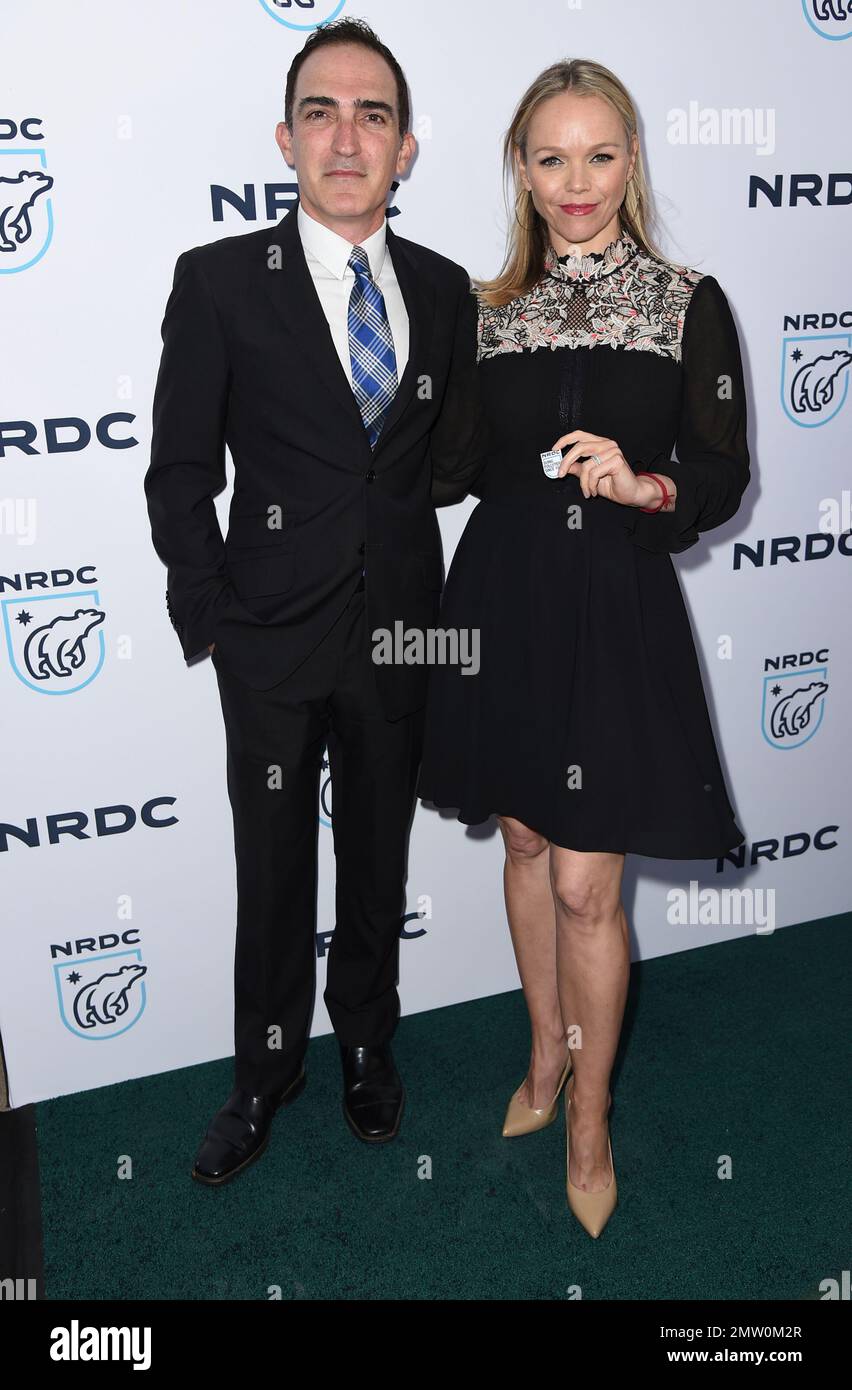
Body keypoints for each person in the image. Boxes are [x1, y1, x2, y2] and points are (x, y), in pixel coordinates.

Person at [144, 18, 489, 1185]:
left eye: (374, 114)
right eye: (324, 112)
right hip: (272, 645)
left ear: (405, 150)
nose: (348, 136)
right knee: (274, 869)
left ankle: (368, 1049)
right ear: (286, 138)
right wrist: (218, 624)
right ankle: (265, 1070)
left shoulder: (445, 293)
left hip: (398, 631)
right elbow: (180, 472)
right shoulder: (222, 281)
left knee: (378, 864)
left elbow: (446, 461)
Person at [417, 58, 750, 1238]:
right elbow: (453, 466)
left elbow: (723, 468)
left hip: (613, 606)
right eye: (550, 156)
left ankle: (591, 1115)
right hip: (501, 596)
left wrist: (645, 480)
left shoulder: (685, 300)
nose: (576, 182)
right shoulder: (481, 307)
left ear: (632, 161)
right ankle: (544, 1061)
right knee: (520, 836)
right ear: (520, 164)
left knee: (584, 880)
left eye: (599, 155)